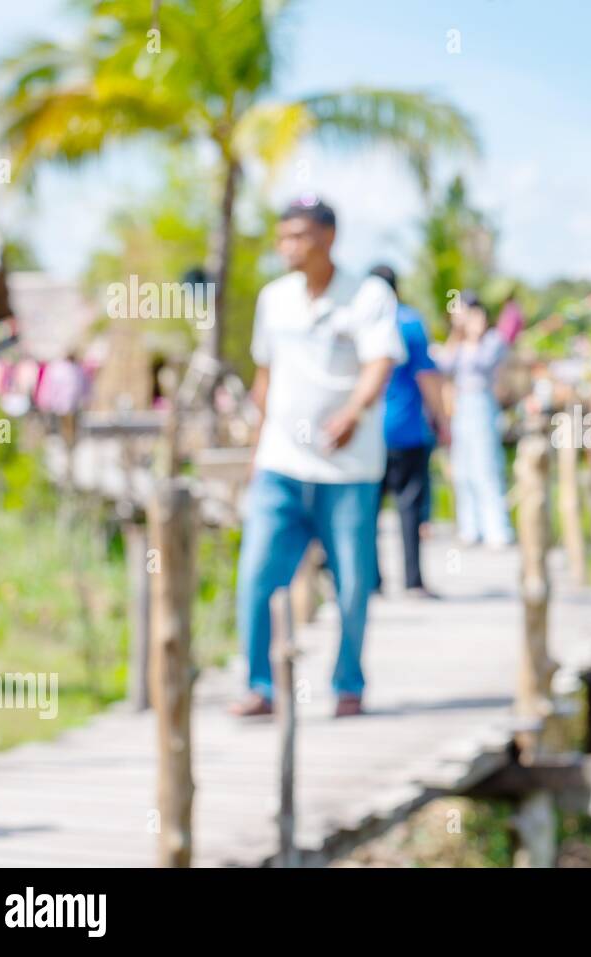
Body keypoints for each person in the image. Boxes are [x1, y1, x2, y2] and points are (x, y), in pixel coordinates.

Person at [230, 196, 404, 719]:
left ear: (329, 238)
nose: (288, 246)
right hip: (282, 463)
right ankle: (261, 686)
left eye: (299, 236)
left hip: (348, 469)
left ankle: (348, 682)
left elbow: (380, 361)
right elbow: (266, 375)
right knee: (257, 575)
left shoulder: (368, 296)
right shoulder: (274, 299)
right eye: (283, 236)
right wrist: (256, 448)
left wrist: (354, 410)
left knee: (352, 583)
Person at [368, 264, 450, 599]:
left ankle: (370, 581)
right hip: (407, 430)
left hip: (367, 433)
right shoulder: (411, 322)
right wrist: (442, 420)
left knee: (366, 512)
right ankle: (413, 581)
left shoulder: (361, 321)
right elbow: (427, 378)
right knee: (410, 507)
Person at [436, 292, 513, 547]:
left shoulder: (491, 340)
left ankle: (497, 530)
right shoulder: (458, 343)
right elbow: (443, 365)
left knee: (486, 468)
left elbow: (486, 362)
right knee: (463, 470)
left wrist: (475, 334)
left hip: (482, 403)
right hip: (461, 407)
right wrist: (458, 333)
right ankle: (470, 528)